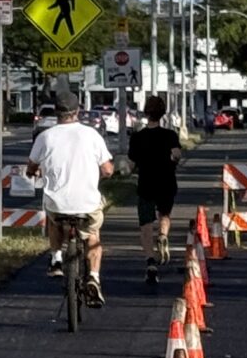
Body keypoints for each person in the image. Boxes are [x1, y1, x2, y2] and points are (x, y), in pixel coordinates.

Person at [26, 88, 112, 306]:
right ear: (78, 111)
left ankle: (55, 258)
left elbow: (31, 166)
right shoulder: (92, 135)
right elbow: (108, 169)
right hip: (87, 202)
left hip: (57, 202)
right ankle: (93, 276)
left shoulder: (45, 137)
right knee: (93, 234)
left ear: (56, 113)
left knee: (53, 220)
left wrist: (33, 171)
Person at [127, 91, 184, 289]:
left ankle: (150, 262)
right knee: (164, 214)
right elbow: (177, 154)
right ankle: (163, 236)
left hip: (146, 184)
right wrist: (171, 159)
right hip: (167, 182)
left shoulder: (137, 137)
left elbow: (131, 164)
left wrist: (128, 170)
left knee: (145, 224)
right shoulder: (170, 135)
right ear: (162, 113)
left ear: (146, 113)